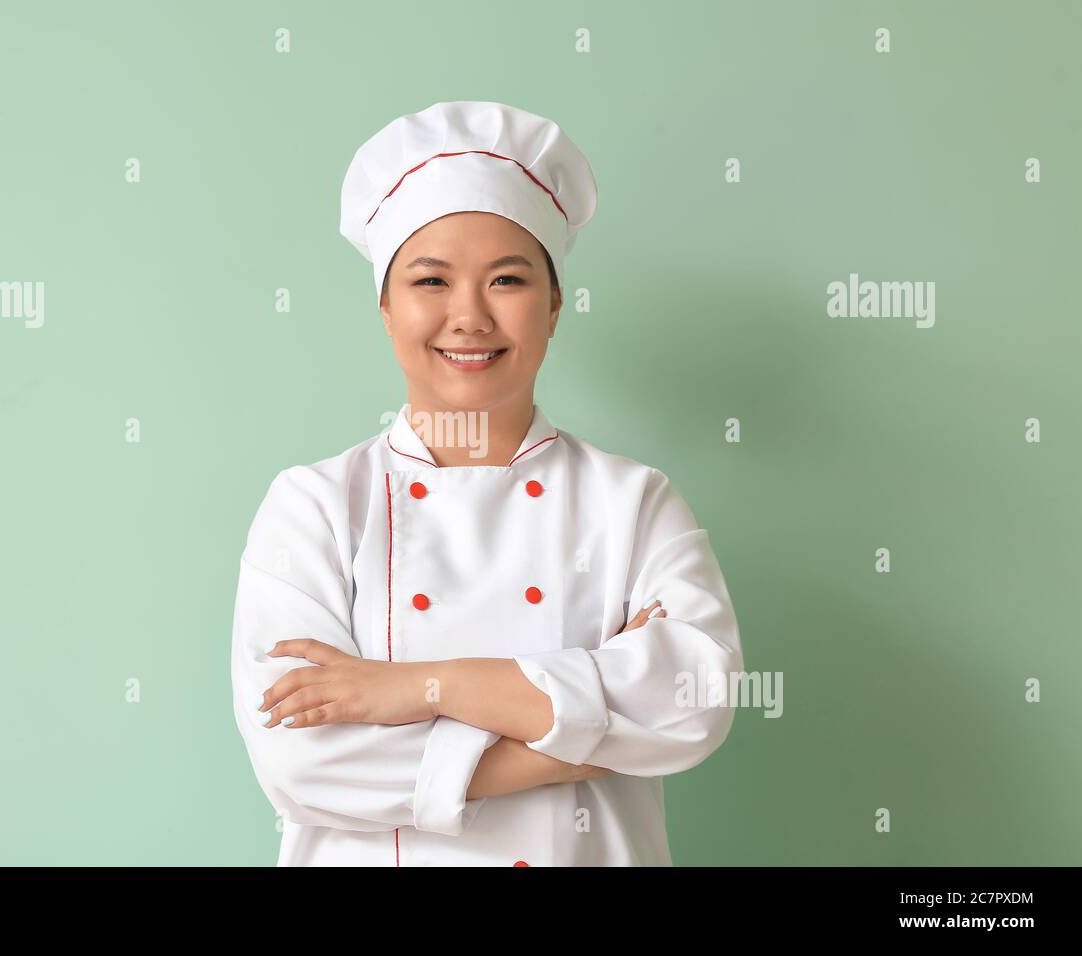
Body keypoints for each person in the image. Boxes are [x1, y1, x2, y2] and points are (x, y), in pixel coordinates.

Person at [230, 101, 742, 866]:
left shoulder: (632, 503)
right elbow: (302, 764)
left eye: (506, 279)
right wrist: (592, 739)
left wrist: (415, 689)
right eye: (430, 280)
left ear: (555, 304)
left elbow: (697, 698)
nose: (468, 317)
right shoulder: (315, 507)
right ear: (385, 306)